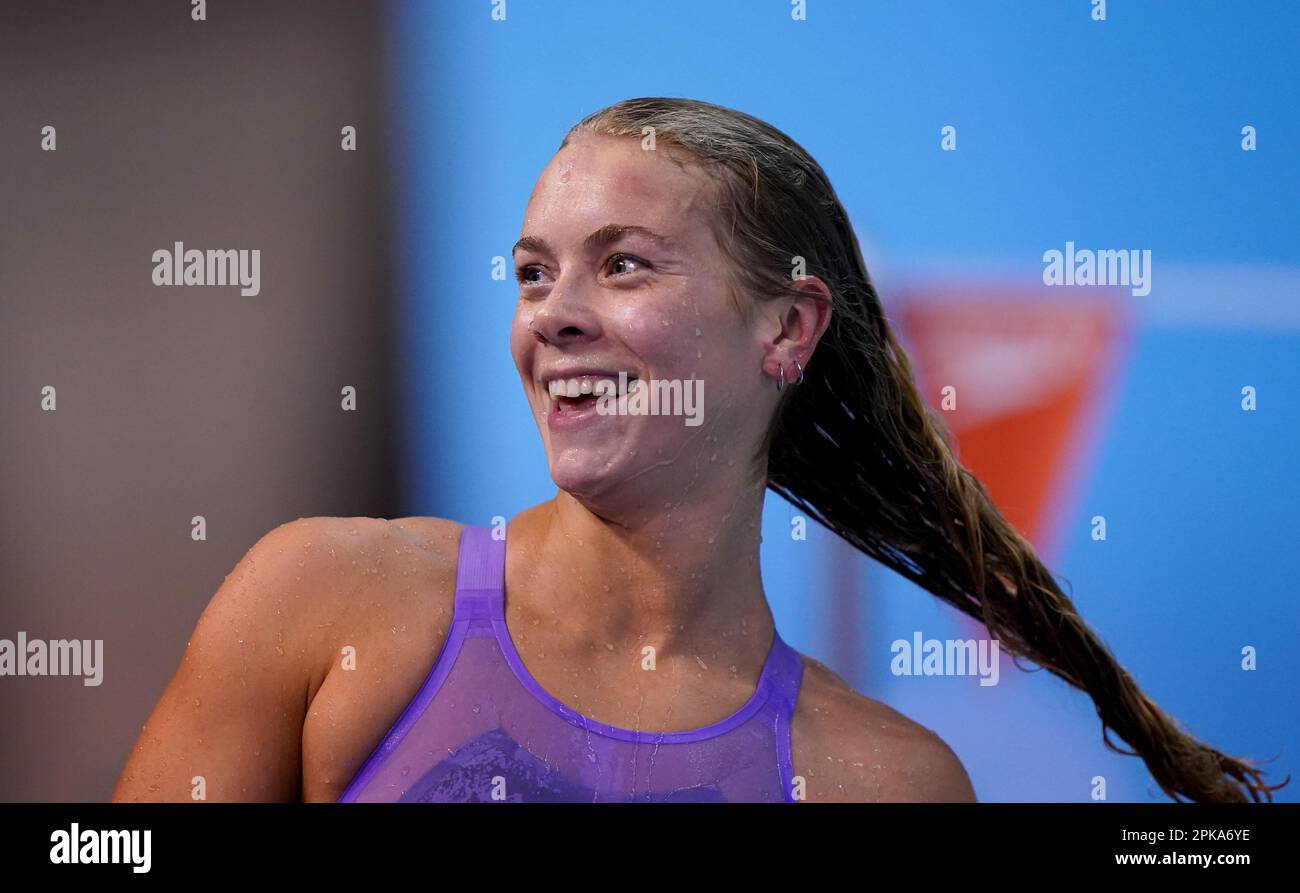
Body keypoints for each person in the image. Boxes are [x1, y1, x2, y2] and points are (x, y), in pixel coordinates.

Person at [113, 97, 1283, 803]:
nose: (553, 313)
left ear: (786, 328)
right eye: (533, 271)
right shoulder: (327, 600)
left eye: (623, 263)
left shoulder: (881, 780)